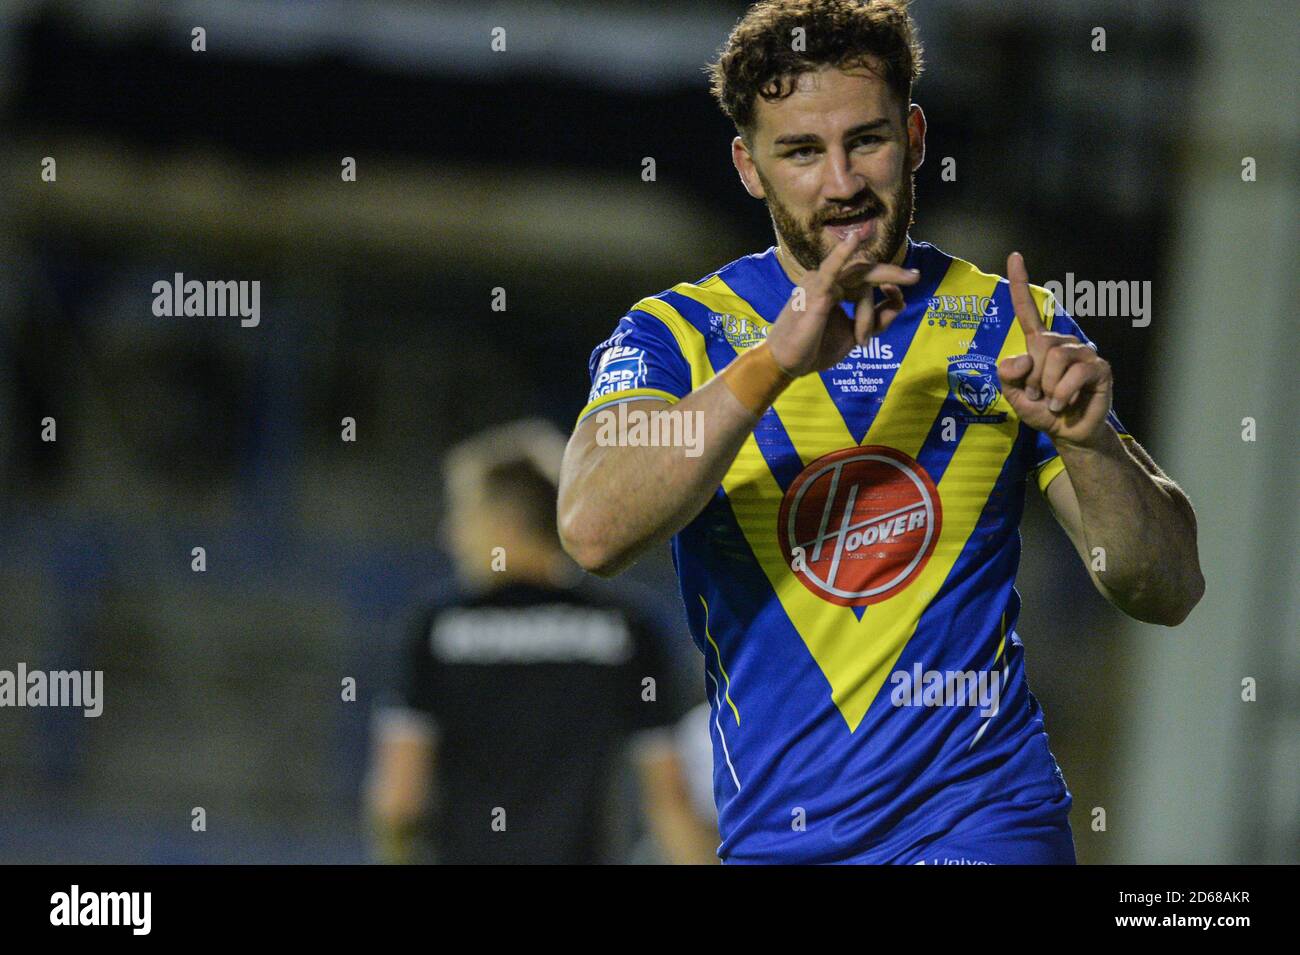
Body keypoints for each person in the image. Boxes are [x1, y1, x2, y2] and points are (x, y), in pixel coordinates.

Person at [556, 0, 1204, 865]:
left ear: (917, 134)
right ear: (749, 167)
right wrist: (773, 362)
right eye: (800, 151)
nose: (842, 182)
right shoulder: (675, 335)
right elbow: (594, 530)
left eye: (866, 140)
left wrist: (1089, 443)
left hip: (982, 821)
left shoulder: (1009, 324)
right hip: (777, 841)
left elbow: (1164, 588)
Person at [366, 419, 717, 864]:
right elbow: (670, 802)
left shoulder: (436, 629)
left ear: (505, 521)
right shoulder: (627, 627)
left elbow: (399, 802)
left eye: (463, 515)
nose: (450, 536)